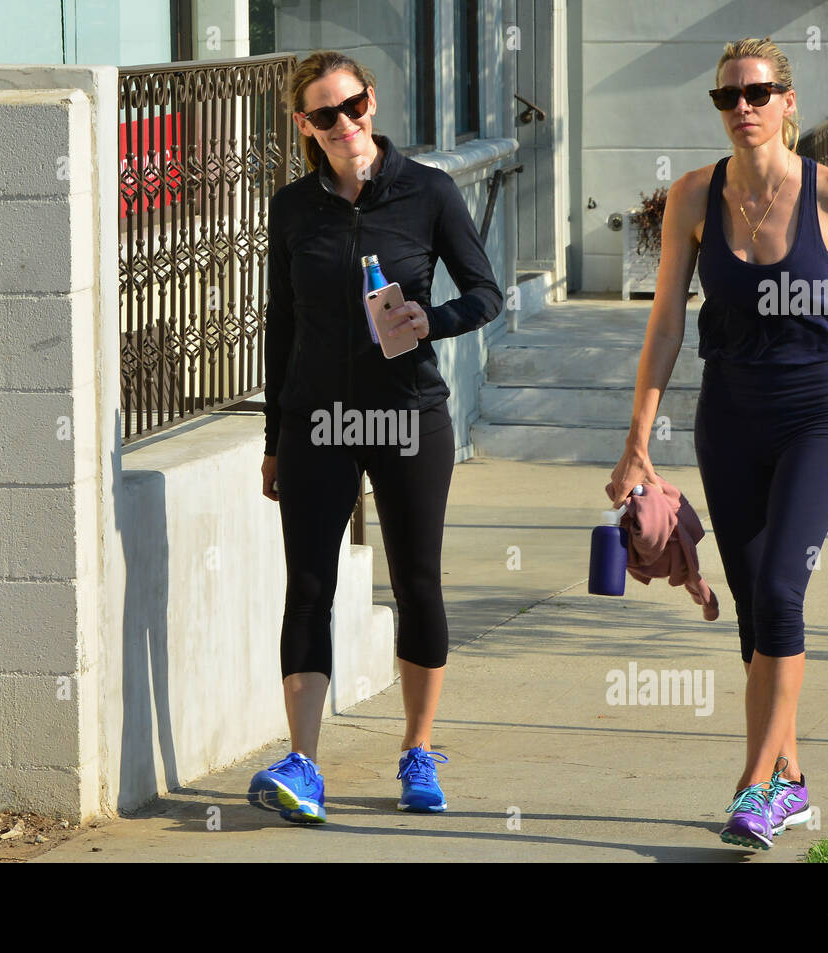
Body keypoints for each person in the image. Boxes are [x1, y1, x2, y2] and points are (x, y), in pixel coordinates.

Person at [608, 37, 828, 850]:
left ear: (787, 102)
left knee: (782, 586)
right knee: (753, 609)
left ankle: (753, 786)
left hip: (814, 417)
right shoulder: (694, 197)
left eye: (757, 92)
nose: (741, 107)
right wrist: (638, 440)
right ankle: (795, 783)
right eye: (726, 97)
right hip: (728, 418)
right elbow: (667, 319)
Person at [248, 50, 504, 823]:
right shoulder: (293, 208)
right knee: (310, 587)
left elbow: (485, 291)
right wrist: (272, 435)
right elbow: (281, 326)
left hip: (407, 415)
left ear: (373, 102)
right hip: (316, 422)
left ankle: (417, 749)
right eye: (325, 115)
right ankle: (303, 762)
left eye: (353, 106)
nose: (345, 123)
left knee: (418, 582)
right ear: (306, 126)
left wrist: (434, 321)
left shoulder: (427, 191)